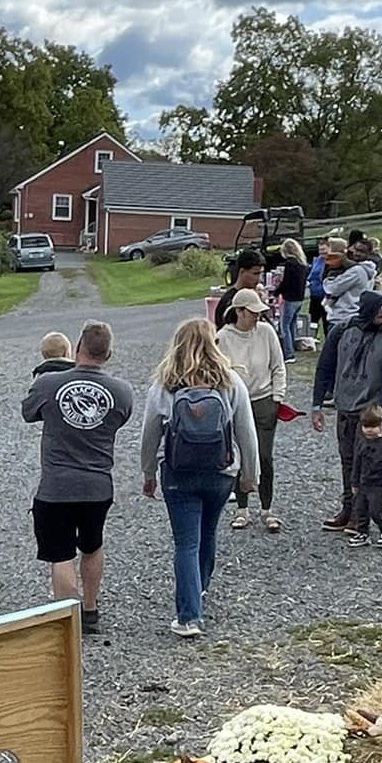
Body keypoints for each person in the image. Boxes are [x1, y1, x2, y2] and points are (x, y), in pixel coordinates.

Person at [139, 318, 257, 639]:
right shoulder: (231, 382)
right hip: (220, 474)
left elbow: (150, 435)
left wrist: (148, 473)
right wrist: (250, 475)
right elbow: (246, 432)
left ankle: (189, 616)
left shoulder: (164, 385)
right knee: (208, 532)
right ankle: (198, 590)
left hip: (178, 473)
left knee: (185, 542)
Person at [21, 320, 134, 634]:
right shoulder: (122, 391)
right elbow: (120, 419)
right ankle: (90, 608)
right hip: (98, 484)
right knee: (93, 545)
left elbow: (28, 412)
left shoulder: (48, 384)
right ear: (108, 354)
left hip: (57, 485)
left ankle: (66, 620)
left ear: (78, 346)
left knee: (60, 555)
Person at [311, 289, 382, 531]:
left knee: (367, 465)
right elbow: (325, 366)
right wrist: (317, 404)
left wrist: (381, 409)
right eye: (380, 316)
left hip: (368, 410)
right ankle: (348, 508)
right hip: (345, 406)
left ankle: (360, 515)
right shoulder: (342, 330)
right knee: (347, 461)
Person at [217, 289, 288, 532]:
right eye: (252, 312)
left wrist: (278, 396)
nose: (257, 316)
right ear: (238, 312)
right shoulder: (222, 338)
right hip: (236, 403)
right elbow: (219, 374)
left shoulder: (266, 332)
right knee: (240, 455)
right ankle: (242, 508)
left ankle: (267, 508)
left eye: (259, 312)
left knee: (265, 456)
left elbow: (278, 365)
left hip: (264, 399)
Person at [347, 405, 382, 548]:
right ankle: (363, 533)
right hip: (363, 484)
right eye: (366, 426)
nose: (369, 430)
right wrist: (354, 482)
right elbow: (356, 463)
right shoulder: (362, 443)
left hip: (378, 486)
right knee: (360, 509)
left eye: (373, 426)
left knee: (375, 510)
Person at [319, 239, 377, 330]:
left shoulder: (356, 271)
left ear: (369, 254)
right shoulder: (369, 270)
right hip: (356, 313)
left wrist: (327, 280)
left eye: (361, 252)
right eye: (356, 250)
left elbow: (333, 288)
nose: (357, 253)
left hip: (343, 317)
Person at [213, 251, 267, 330]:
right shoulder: (230, 301)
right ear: (242, 272)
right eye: (255, 274)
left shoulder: (256, 296)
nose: (259, 279)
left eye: (261, 274)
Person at [275, 237, 308, 361]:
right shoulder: (302, 265)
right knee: (292, 324)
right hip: (299, 298)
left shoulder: (290, 264)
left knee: (285, 326)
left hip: (290, 298)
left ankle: (288, 353)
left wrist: (277, 291)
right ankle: (293, 348)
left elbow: (286, 282)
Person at [307, 241, 329, 337]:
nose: (322, 252)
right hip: (314, 294)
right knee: (313, 318)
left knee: (326, 319)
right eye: (320, 250)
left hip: (325, 295)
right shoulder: (317, 260)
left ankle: (328, 337)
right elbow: (311, 274)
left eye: (324, 250)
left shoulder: (331, 261)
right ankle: (312, 337)